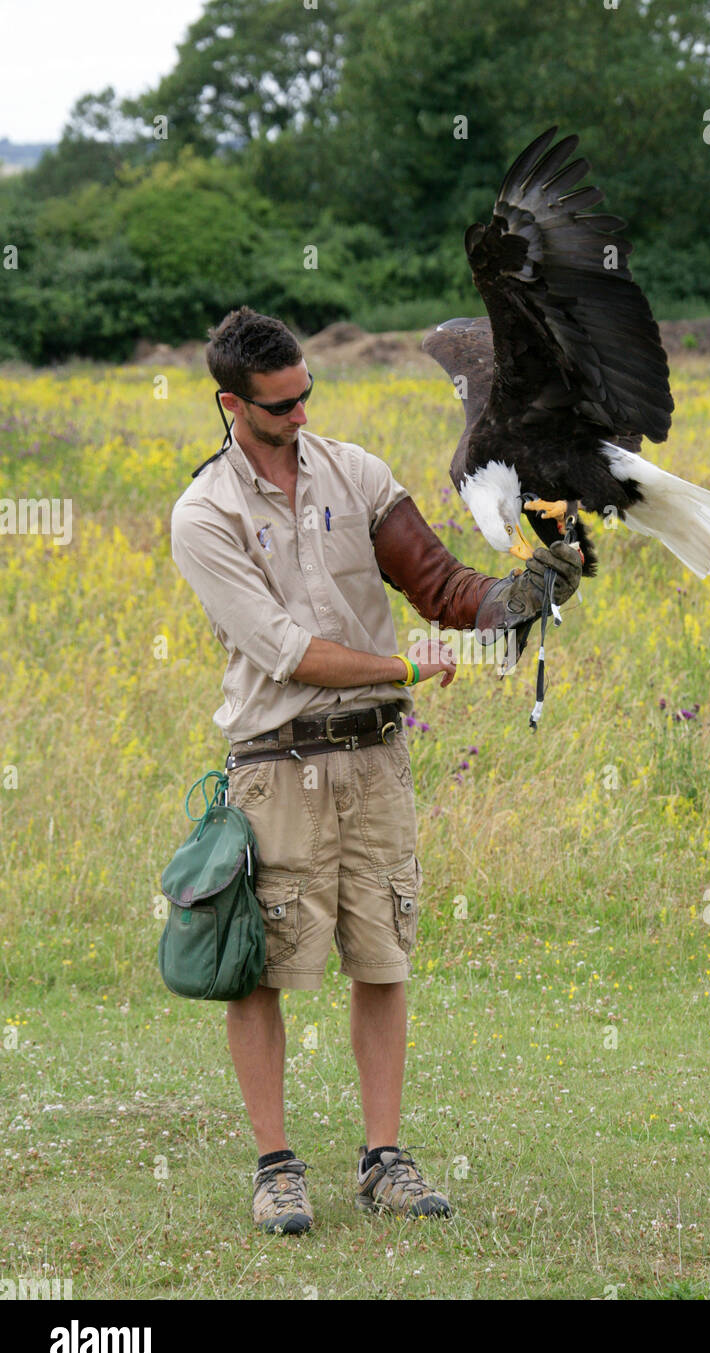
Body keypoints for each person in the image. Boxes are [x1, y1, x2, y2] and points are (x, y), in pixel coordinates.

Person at [170, 306, 583, 1233]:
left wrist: (521, 591)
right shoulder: (204, 515)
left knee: (384, 960)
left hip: (376, 762)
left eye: (308, 393)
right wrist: (405, 668)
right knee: (258, 971)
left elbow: (439, 583)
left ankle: (383, 1160)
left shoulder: (355, 474)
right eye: (281, 406)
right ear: (232, 404)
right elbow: (282, 649)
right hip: (275, 767)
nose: (303, 415)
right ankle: (277, 1167)